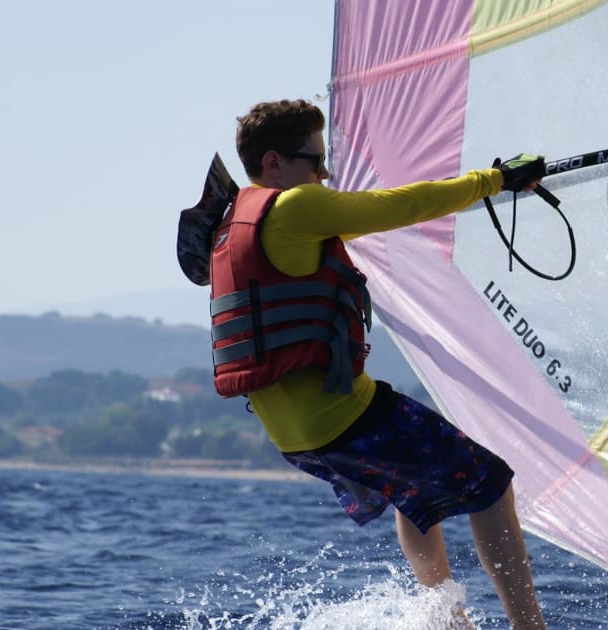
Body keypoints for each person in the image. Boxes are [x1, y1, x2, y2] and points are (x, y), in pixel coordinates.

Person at [210, 99, 546, 629]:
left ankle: (451, 625)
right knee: (491, 483)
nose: (323, 174)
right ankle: (530, 629)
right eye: (314, 161)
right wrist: (495, 181)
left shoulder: (232, 218)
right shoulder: (295, 207)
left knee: (415, 499)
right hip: (344, 417)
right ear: (273, 163)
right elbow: (399, 205)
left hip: (294, 437)